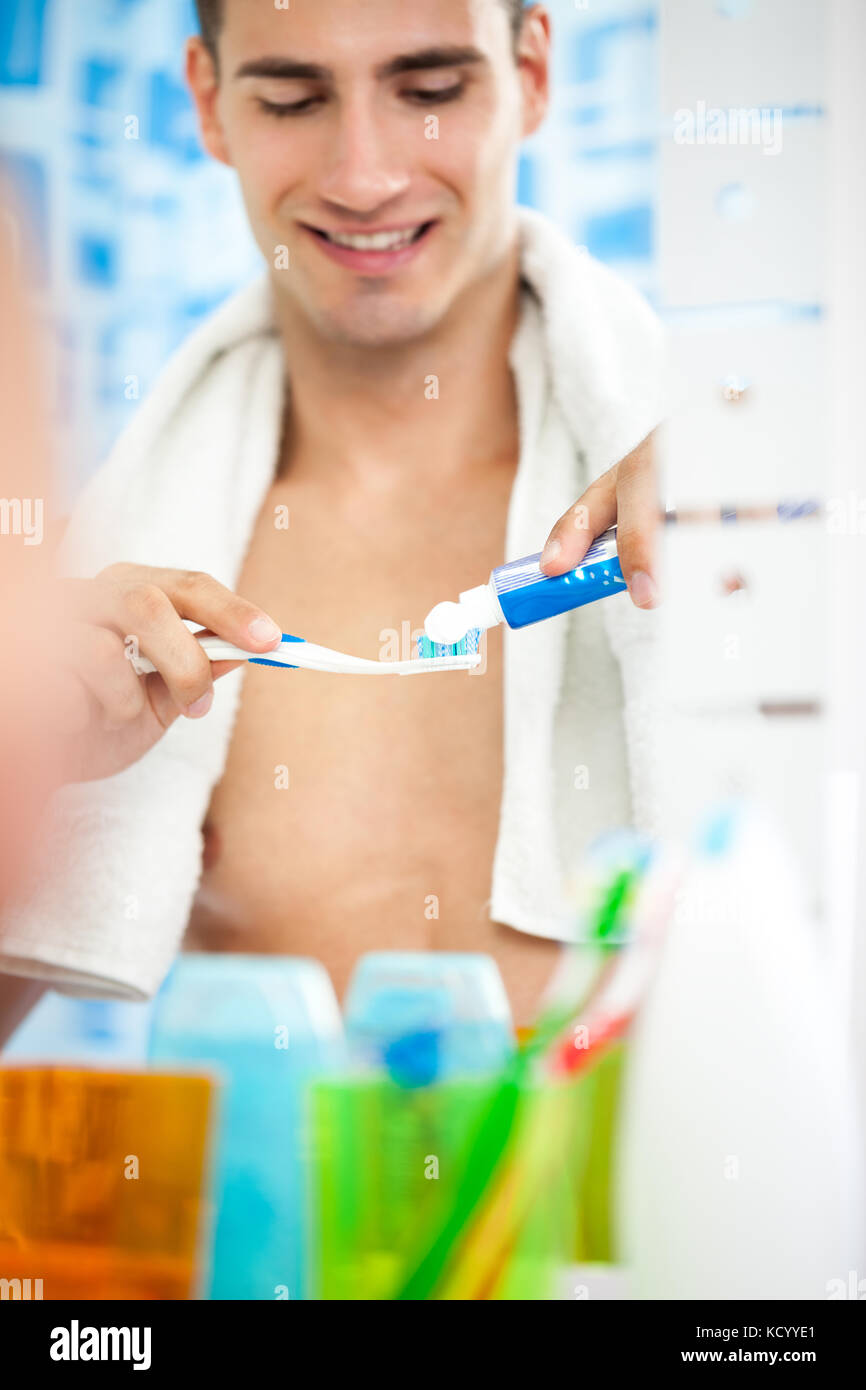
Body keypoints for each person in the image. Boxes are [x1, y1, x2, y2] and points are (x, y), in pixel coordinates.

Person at [0, 0, 663, 1024]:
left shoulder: (711, 494)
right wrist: (22, 776)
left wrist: (781, 515)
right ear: (209, 103)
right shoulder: (116, 568)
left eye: (430, 91)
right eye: (293, 98)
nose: (364, 177)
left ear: (531, 73)